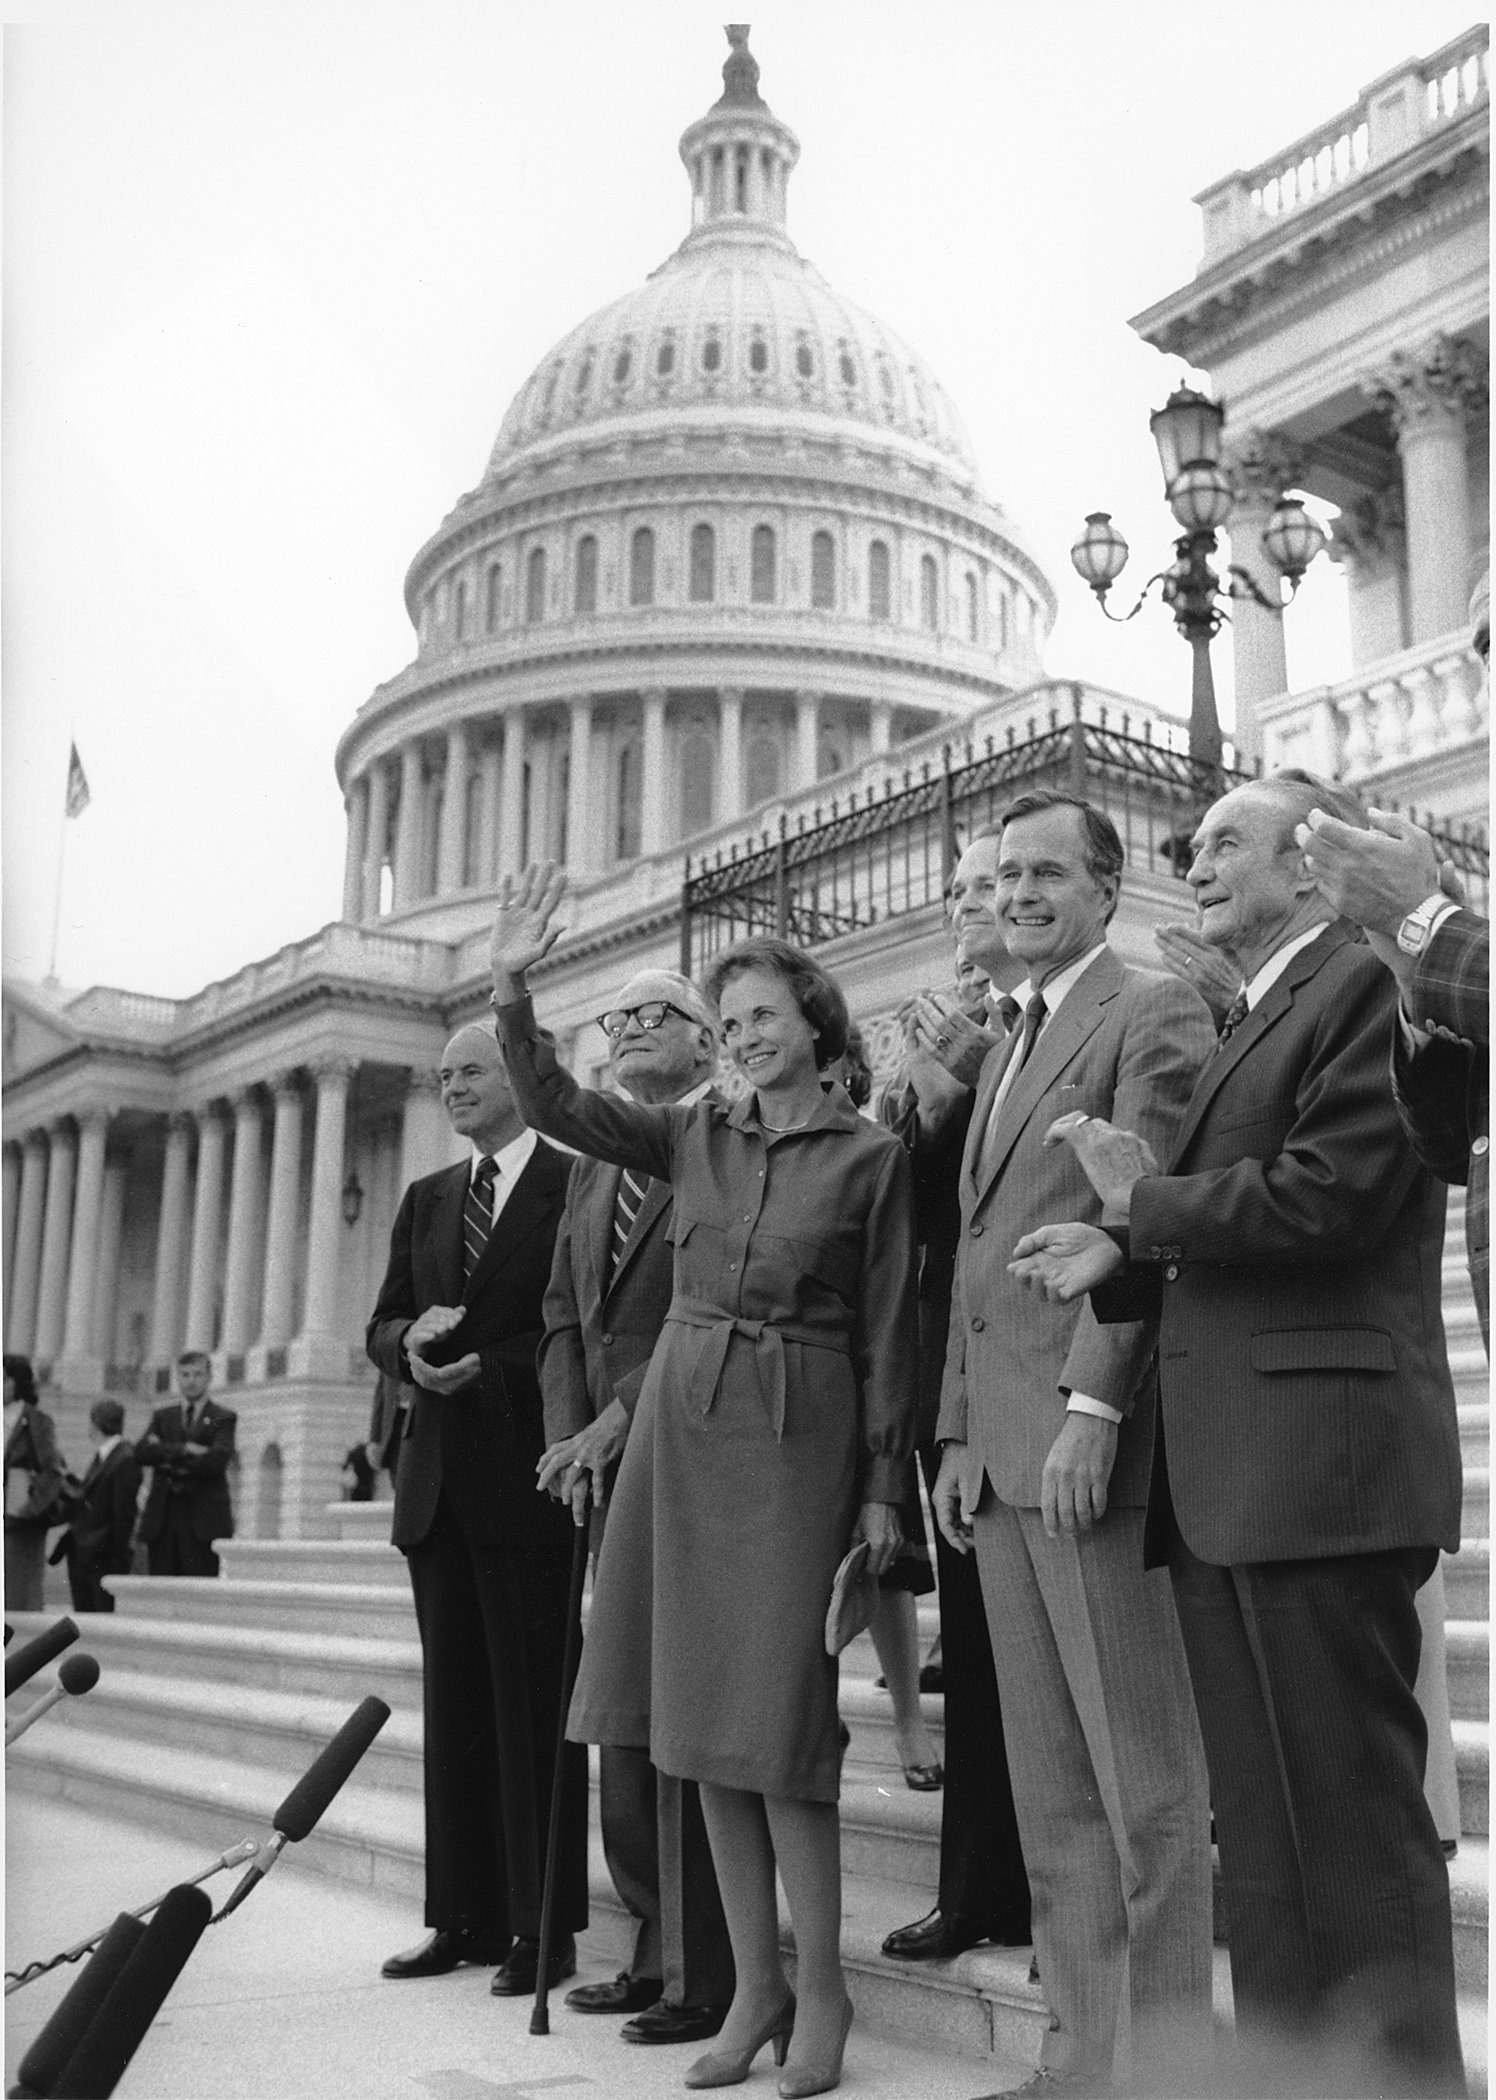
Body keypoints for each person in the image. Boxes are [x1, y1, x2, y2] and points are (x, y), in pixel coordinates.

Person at [1011, 770, 1466, 2098]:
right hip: (1231, 1479)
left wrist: (1141, 1204)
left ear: (1309, 866)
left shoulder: (1365, 979)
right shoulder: (1260, 1005)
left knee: (1354, 1846)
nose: (1194, 862)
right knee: (1265, 1853)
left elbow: (1334, 1194)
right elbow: (1242, 1225)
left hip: (1321, 1468)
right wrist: (1122, 1253)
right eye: (1193, 845)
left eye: (1224, 843)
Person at [491, 866, 918, 2100]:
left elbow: (892, 1333)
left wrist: (881, 1491)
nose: (743, 1038)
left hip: (797, 1439)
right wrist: (512, 986)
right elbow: (558, 1104)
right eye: (728, 1023)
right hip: (681, 1433)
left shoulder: (871, 1159)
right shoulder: (690, 1134)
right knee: (697, 1731)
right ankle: (754, 1988)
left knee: (778, 1732)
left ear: (817, 1026)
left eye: (762, 1018)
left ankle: (821, 1992)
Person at [927, 790, 1216, 2097]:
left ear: (1106, 886)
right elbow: (975, 1258)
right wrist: (952, 1432)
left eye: (1046, 872)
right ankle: (1076, 2062)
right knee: (1051, 1797)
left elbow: (1137, 1214)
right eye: (1004, 876)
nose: (1019, 894)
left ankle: (1161, 2073)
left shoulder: (1149, 1007)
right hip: (997, 1460)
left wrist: (1095, 1406)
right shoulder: (1005, 1042)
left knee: (1142, 1789)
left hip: (1088, 1450)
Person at [535, 967, 735, 2046]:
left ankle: (703, 1964)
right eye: (615, 1020)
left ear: (707, 1041)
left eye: (653, 1014)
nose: (626, 1031)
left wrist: (620, 1416)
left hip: (691, 1447)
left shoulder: (720, 1140)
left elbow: (712, 1299)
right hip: (602, 1467)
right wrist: (571, 1435)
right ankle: (651, 1944)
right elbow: (563, 1313)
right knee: (617, 1710)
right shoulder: (591, 1168)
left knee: (679, 1707)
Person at [368, 1021, 586, 1996]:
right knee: (454, 1710)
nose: (451, 1087)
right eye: (443, 1075)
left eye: (469, 1072)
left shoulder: (574, 1182)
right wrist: (407, 1343)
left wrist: (490, 1373)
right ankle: (459, 1916)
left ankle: (543, 1926)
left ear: (514, 1078)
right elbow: (383, 1322)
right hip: (436, 1489)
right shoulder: (426, 1197)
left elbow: (576, 1328)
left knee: (534, 1711)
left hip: (529, 1477)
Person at [878, 830, 1034, 1964]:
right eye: (958, 890)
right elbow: (905, 1208)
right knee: (973, 1648)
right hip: (953, 1366)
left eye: (991, 883)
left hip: (1039, 1357)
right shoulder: (925, 1034)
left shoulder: (1050, 1024)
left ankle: (1042, 1885)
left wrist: (966, 1079)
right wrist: (920, 1107)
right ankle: (977, 1886)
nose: (971, 902)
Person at [839, 1023, 942, 1793]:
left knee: (888, 1561)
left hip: (876, 1369)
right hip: (802, 1375)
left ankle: (909, 1717)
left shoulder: (881, 1151)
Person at [135, 1351, 235, 1577]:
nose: (191, 1381)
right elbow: (141, 1453)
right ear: (177, 1378)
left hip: (202, 1524)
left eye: (197, 1374)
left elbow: (216, 1460)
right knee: (161, 1589)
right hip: (163, 1522)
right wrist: (185, 1449)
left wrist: (164, 1456)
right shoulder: (162, 1416)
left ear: (209, 1377)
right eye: (185, 1375)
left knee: (199, 1590)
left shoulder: (221, 1417)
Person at [53, 1399, 141, 1612]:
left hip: (102, 1557)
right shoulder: (107, 1456)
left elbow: (124, 1514)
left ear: (94, 1425)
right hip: (89, 1553)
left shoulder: (123, 1458)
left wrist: (114, 1557)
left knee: (99, 1616)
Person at [4, 1355, 66, 1612]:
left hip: (18, 1525)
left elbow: (52, 1471)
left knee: (16, 1598)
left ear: (17, 1382)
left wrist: (29, 1510)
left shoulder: (37, 1422)